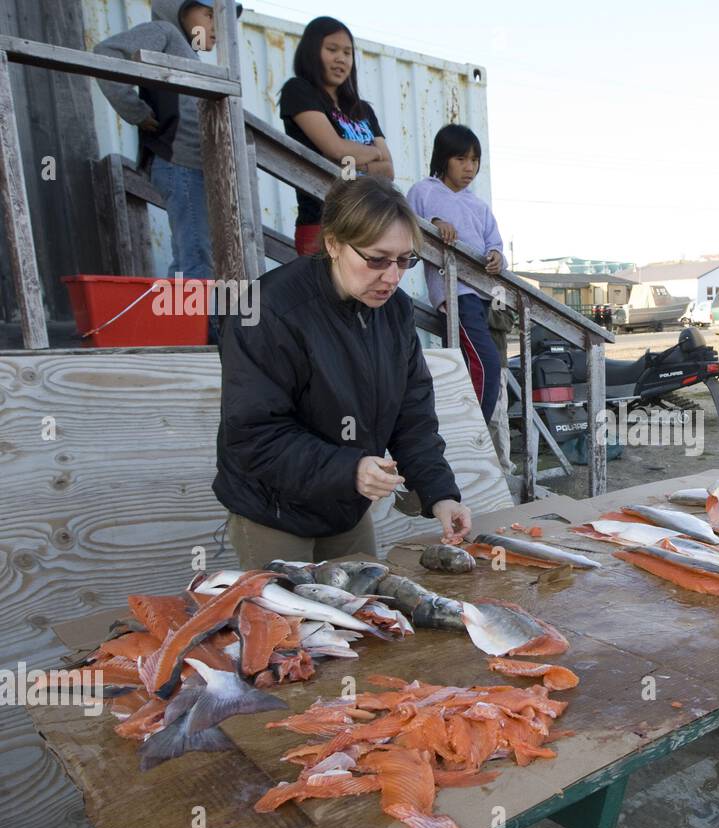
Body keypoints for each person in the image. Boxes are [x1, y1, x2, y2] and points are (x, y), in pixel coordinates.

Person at [214, 176, 471, 569]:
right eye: (377, 259)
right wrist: (348, 469)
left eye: (404, 260)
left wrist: (440, 493)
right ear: (333, 243)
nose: (392, 277)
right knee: (292, 628)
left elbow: (412, 415)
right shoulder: (267, 310)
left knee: (366, 618)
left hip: (345, 506)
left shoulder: (395, 311)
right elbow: (253, 435)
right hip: (274, 510)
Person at [95, 0, 240, 339]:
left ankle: (183, 329)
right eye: (210, 15)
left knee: (191, 251)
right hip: (179, 163)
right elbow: (106, 52)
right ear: (179, 8)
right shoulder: (164, 31)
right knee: (195, 252)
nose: (218, 27)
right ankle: (205, 336)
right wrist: (134, 110)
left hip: (195, 167)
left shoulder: (189, 54)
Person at [407, 124, 507, 425]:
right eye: (461, 159)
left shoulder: (479, 205)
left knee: (474, 365)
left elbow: (495, 242)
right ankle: (473, 432)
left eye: (475, 160)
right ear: (443, 158)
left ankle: (463, 436)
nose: (470, 168)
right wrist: (433, 223)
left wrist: (496, 257)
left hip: (485, 297)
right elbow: (407, 229)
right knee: (486, 364)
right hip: (457, 295)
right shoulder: (423, 191)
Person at [280, 16, 394, 256]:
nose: (341, 58)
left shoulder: (363, 109)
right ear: (311, 51)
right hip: (322, 224)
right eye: (332, 49)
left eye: (348, 52)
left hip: (368, 223)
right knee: (321, 293)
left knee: (367, 293)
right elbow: (335, 149)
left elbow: (389, 170)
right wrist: (373, 153)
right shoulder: (298, 91)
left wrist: (353, 160)